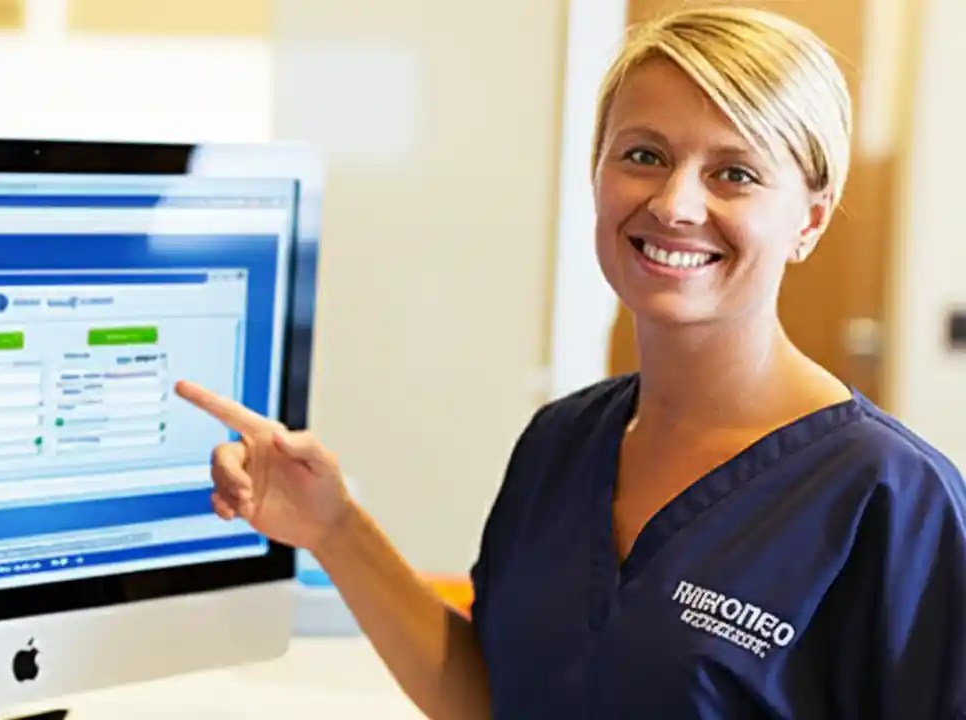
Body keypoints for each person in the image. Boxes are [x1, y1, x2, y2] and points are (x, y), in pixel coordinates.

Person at [175, 6, 966, 718]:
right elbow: (497, 697)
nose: (675, 204)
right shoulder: (563, 444)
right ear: (597, 171)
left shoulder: (889, 498)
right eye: (644, 154)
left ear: (809, 219)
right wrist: (335, 530)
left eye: (736, 172)